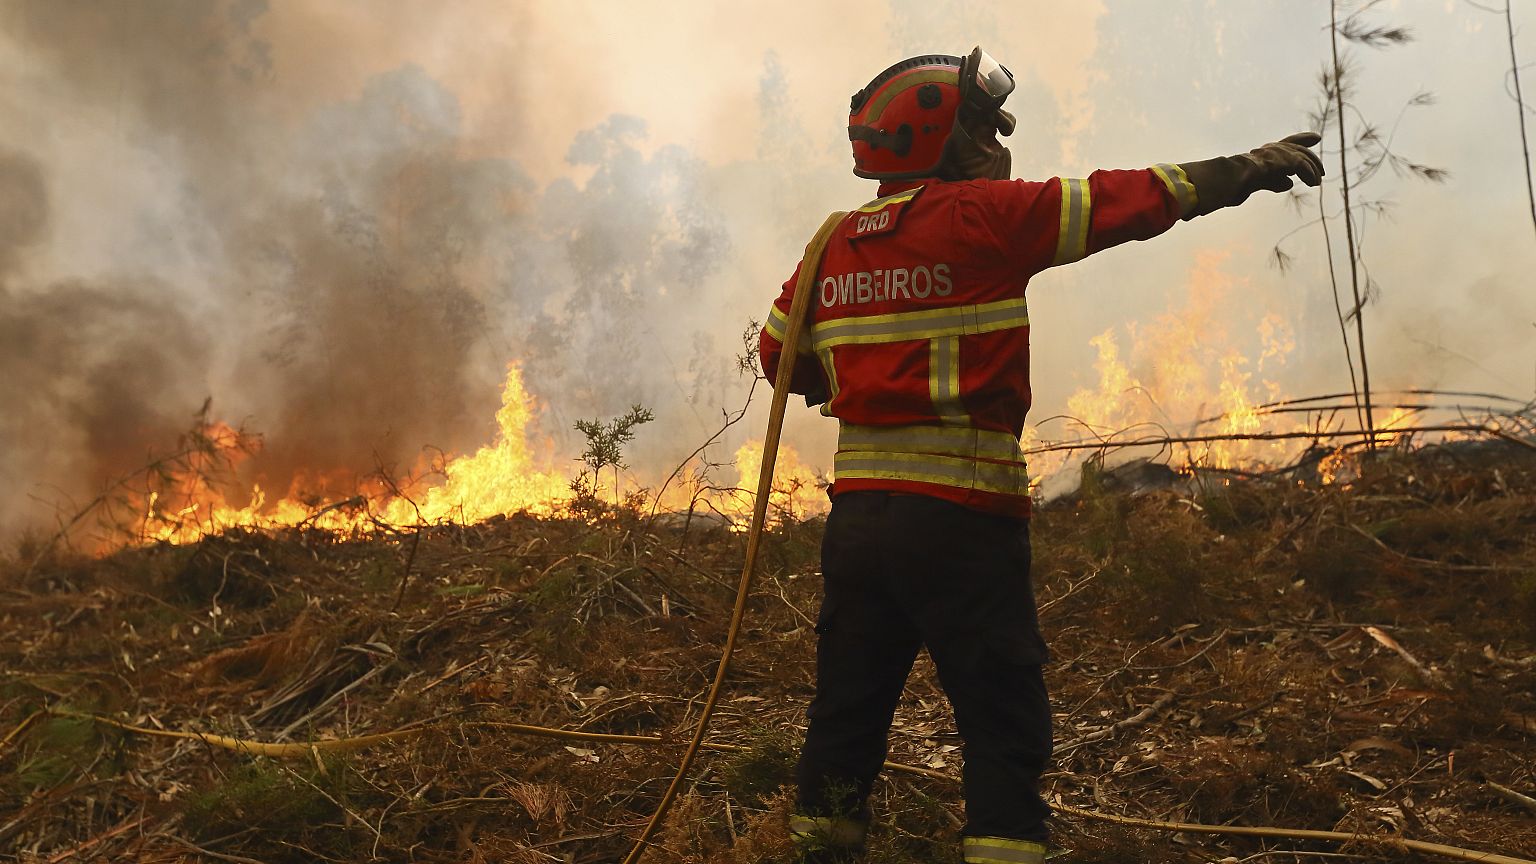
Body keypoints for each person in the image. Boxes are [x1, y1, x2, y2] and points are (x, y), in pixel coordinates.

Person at [758, 48, 1324, 864]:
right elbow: (1124, 199)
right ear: (942, 139)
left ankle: (820, 847)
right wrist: (1244, 169)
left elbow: (779, 357)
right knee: (1000, 711)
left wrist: (858, 374)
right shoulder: (984, 216)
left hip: (858, 528)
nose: (997, 142)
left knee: (847, 710)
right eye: (983, 127)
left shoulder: (832, 244)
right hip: (961, 523)